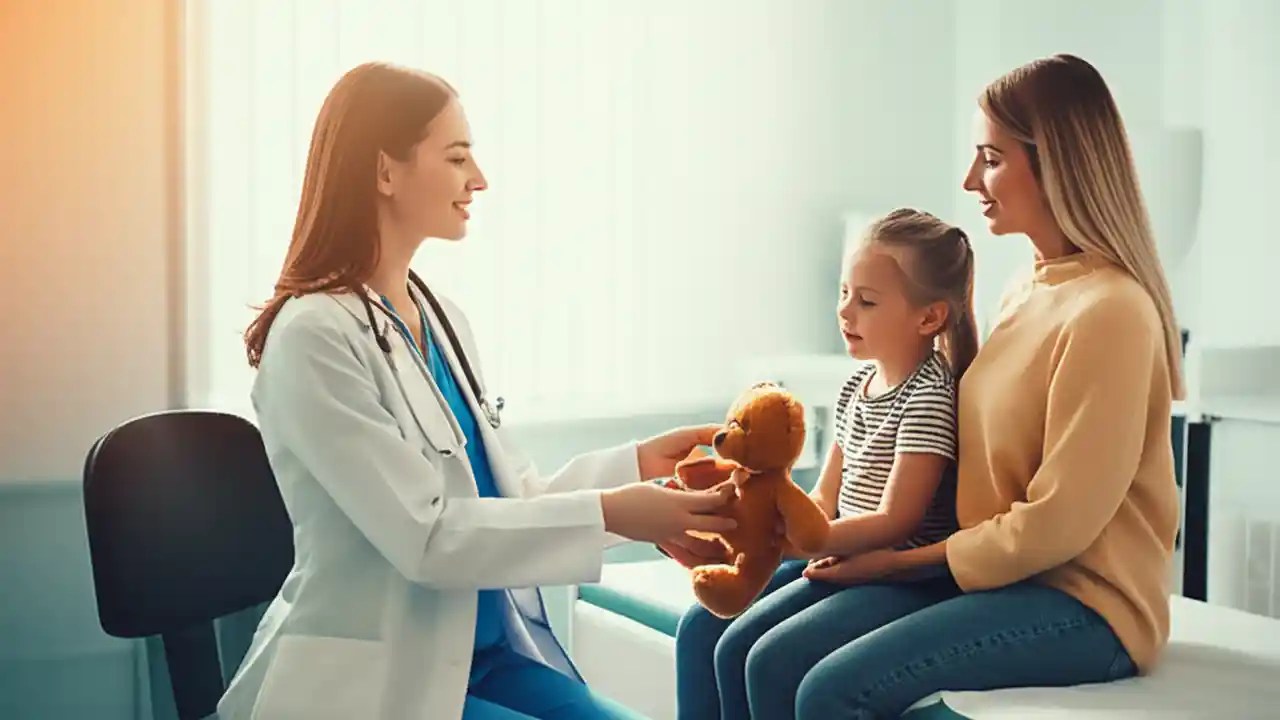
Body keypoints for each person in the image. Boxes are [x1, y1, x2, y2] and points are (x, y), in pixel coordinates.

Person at [216, 62, 737, 720]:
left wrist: (640, 468)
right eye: (457, 156)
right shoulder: (315, 337)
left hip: (478, 658)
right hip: (381, 685)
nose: (479, 179)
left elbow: (510, 497)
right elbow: (427, 538)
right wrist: (613, 510)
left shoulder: (438, 319)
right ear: (384, 172)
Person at [678, 52, 1185, 719]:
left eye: (992, 158)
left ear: (1056, 160)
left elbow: (1057, 525)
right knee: (708, 629)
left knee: (823, 686)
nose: (971, 178)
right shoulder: (1028, 288)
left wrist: (897, 563)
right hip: (990, 577)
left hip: (1082, 603)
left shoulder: (1112, 310)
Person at [673, 208, 978, 719]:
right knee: (702, 630)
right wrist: (768, 528)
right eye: (844, 294)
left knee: (762, 658)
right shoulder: (855, 387)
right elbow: (824, 497)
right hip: (837, 554)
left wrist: (813, 540)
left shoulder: (929, 396)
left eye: (867, 301)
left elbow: (896, 520)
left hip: (899, 578)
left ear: (929, 318)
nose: (845, 312)